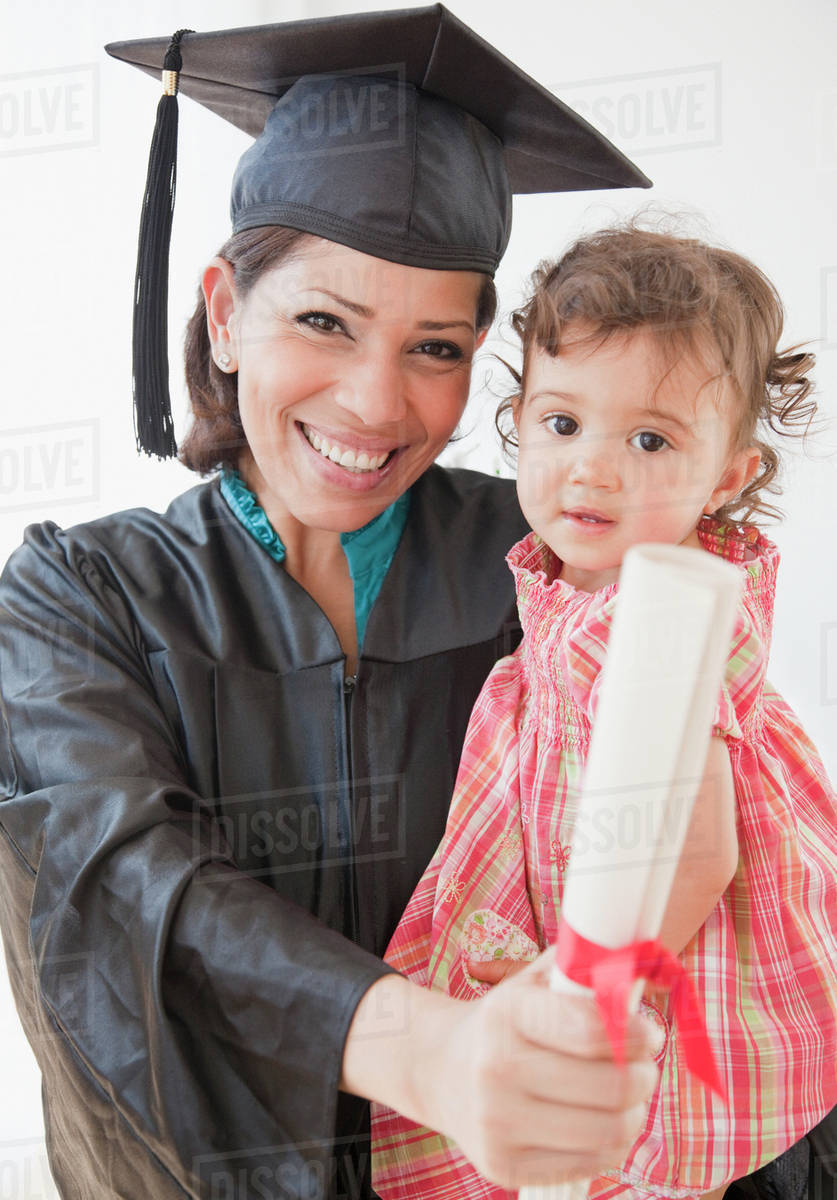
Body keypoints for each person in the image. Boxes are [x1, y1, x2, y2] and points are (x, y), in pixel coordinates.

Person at [0, 9, 668, 1199]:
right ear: (221, 311)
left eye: (437, 348)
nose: (376, 404)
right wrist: (437, 1051)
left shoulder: (553, 563)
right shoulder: (79, 598)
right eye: (323, 321)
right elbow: (116, 884)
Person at [371, 226, 837, 1200]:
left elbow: (703, 849)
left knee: (637, 1147)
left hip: (669, 952)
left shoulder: (666, 614)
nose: (593, 468)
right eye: (563, 423)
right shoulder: (581, 584)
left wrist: (593, 981)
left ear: (727, 478)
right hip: (596, 890)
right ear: (519, 419)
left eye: (651, 439)